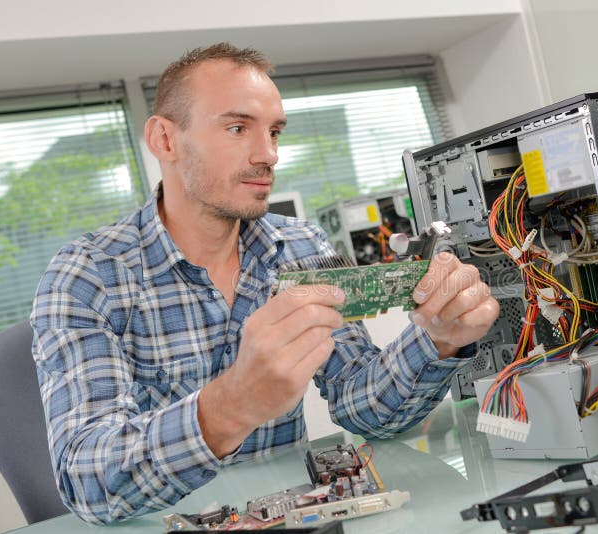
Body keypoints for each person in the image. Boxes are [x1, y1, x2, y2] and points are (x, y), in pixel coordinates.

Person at [31, 42, 499, 524]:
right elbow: (88, 484)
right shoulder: (87, 276)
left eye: (274, 131)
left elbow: (365, 409)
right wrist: (231, 406)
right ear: (165, 140)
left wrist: (439, 340)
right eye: (237, 128)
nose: (268, 154)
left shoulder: (300, 246)